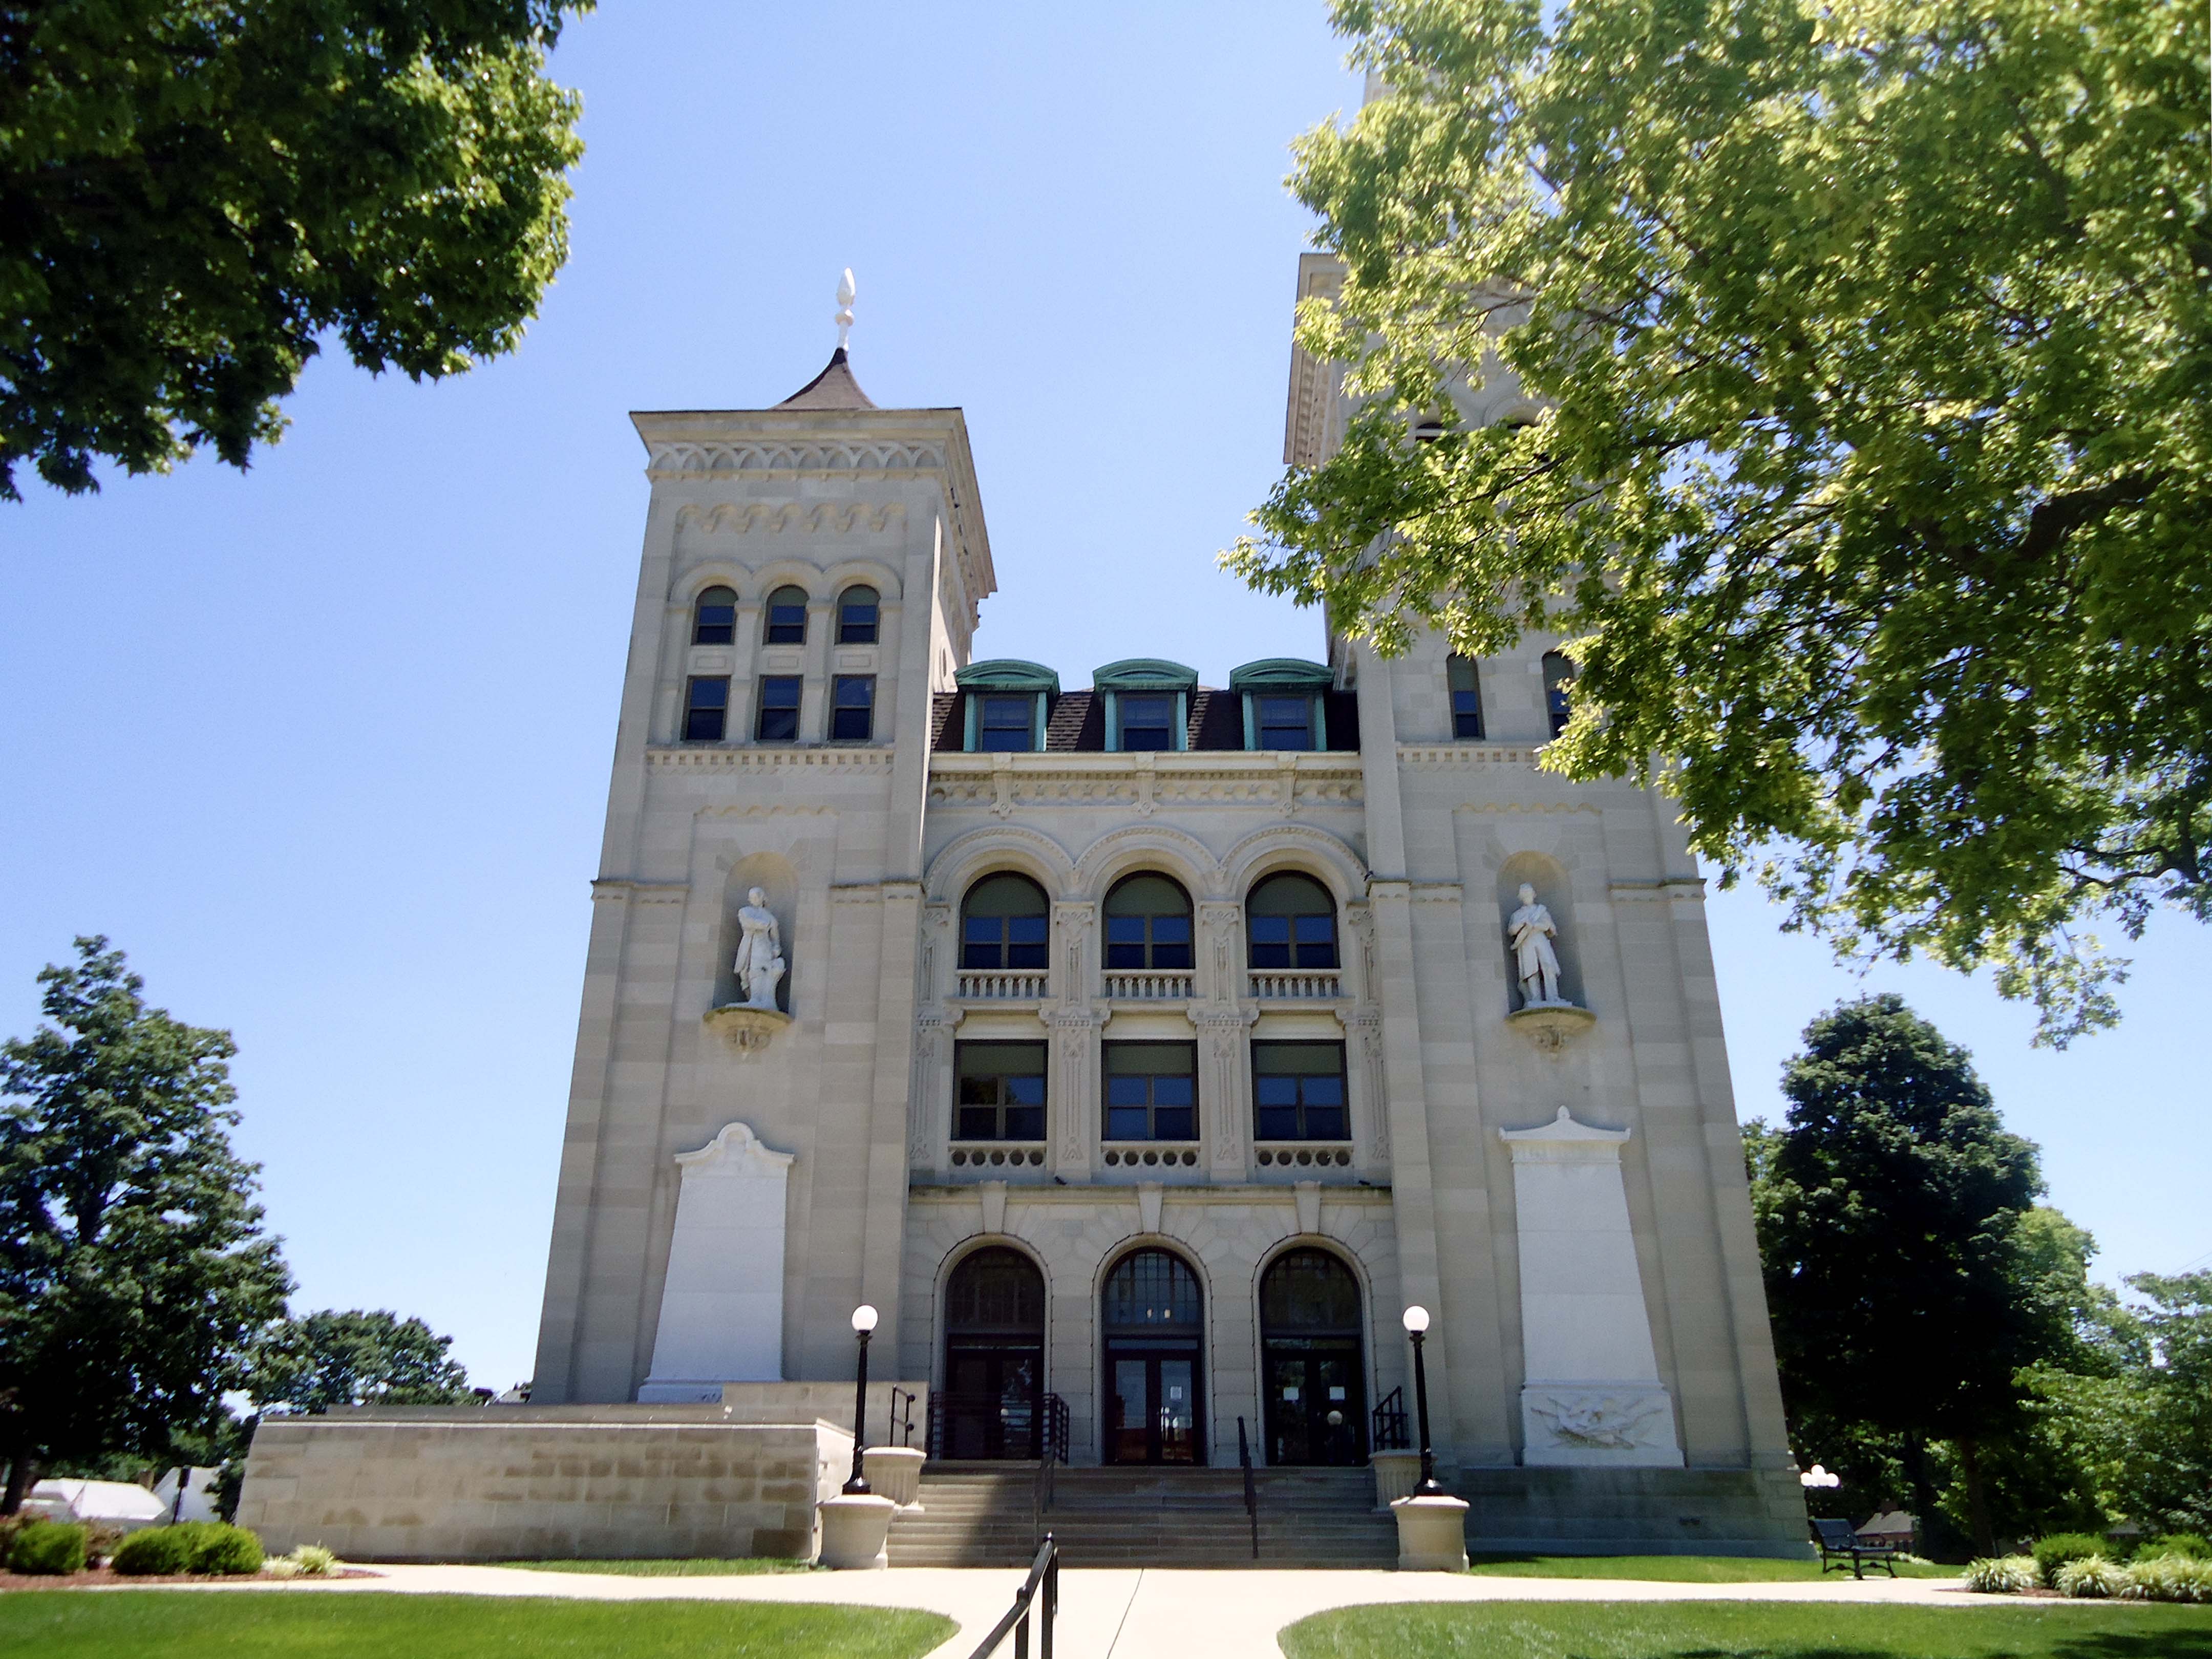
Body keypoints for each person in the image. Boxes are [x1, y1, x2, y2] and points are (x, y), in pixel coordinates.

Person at [1506, 883, 1565, 1007]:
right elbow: (1512, 930)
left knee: (1548, 965)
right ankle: (1535, 998)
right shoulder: (1517, 915)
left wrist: (1535, 925)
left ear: (1534, 894)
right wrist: (1523, 923)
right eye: (1525, 893)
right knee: (1531, 970)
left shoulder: (1541, 910)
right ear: (1521, 897)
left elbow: (1550, 927)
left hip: (1540, 938)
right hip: (1527, 942)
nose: (1527, 895)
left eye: (1529, 893)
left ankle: (1553, 997)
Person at [734, 887, 786, 1011]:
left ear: (763, 898)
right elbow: (748, 924)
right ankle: (753, 998)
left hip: (764, 946)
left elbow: (775, 938)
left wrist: (776, 948)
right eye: (752, 897)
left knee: (761, 969)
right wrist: (762, 925)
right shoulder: (745, 911)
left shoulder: (771, 918)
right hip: (750, 945)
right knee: (747, 972)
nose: (754, 899)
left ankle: (760, 999)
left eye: (757, 896)